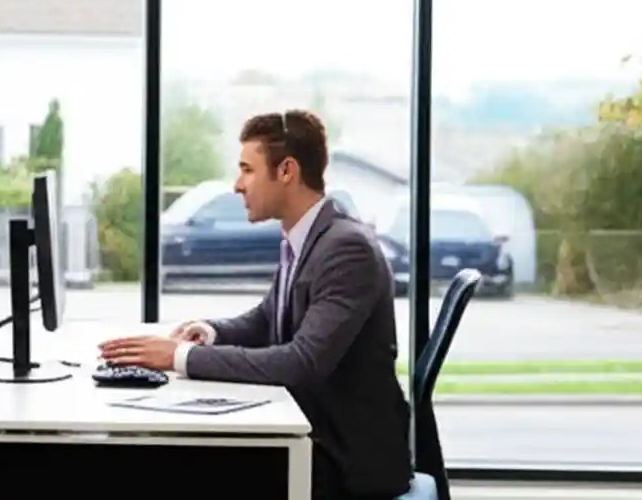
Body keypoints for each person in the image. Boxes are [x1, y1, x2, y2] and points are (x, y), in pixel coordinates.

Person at [98, 110, 411, 500]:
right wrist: (212, 332)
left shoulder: (346, 249)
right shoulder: (306, 237)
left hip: (346, 458)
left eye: (247, 170)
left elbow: (302, 362)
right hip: (318, 436)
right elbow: (269, 318)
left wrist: (180, 357)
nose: (237, 185)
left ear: (286, 171)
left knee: (178, 468)